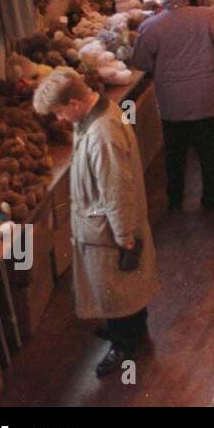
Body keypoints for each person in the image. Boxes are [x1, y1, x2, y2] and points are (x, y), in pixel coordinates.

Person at [33, 68, 160, 379]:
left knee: (116, 291)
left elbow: (115, 189)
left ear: (75, 103)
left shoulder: (102, 134)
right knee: (120, 288)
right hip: (103, 228)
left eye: (60, 112)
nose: (60, 119)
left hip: (108, 232)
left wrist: (125, 236)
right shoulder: (95, 116)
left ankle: (125, 344)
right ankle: (130, 332)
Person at [131, 0, 214, 210]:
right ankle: (211, 196)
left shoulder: (151, 26)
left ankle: (175, 198)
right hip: (207, 94)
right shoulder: (208, 16)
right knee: (208, 146)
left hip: (172, 99)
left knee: (174, 151)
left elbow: (141, 62)